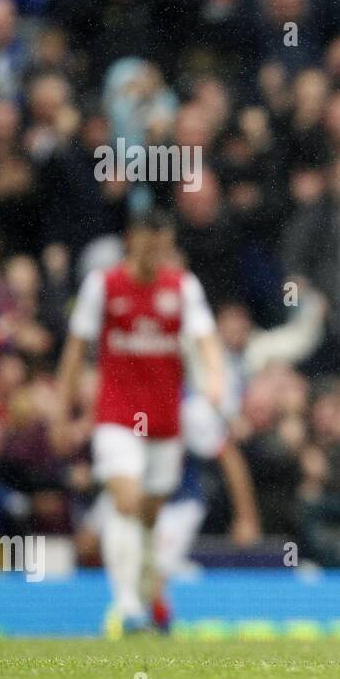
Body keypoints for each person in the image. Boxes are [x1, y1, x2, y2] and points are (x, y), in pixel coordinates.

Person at [53, 209, 225, 634]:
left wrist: (216, 379)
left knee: (149, 514)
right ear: (132, 240)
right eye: (148, 246)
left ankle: (149, 591)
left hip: (165, 421)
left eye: (161, 247)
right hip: (116, 415)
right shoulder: (103, 285)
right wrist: (62, 413)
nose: (154, 255)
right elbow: (75, 350)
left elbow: (206, 341)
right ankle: (128, 607)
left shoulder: (183, 288)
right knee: (125, 501)